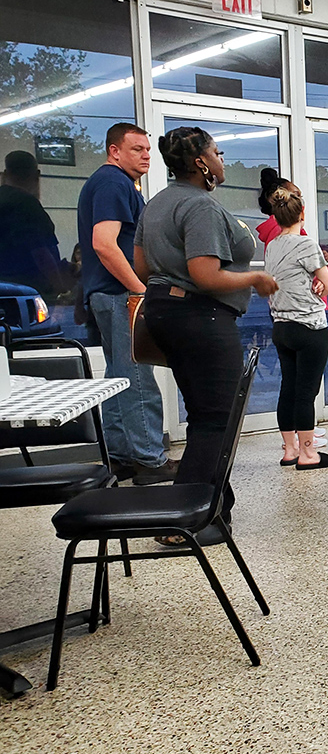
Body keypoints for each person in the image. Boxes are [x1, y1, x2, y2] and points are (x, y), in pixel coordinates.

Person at [134, 126, 278, 544]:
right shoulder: (199, 207)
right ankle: (191, 522)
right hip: (201, 319)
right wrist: (255, 277)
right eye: (217, 152)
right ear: (201, 162)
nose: (222, 159)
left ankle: (211, 508)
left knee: (204, 416)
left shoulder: (156, 204)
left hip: (166, 313)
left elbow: (144, 269)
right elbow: (205, 274)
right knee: (217, 420)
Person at [78, 123, 176, 485]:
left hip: (108, 293)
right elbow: (105, 243)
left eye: (148, 149)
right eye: (137, 149)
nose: (146, 155)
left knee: (119, 375)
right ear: (114, 151)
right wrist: (139, 290)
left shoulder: (113, 183)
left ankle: (120, 455)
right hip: (120, 294)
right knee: (137, 374)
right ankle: (149, 460)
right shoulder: (112, 182)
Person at [264, 187, 328, 470]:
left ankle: (289, 450)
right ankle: (309, 454)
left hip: (281, 327)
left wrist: (313, 281)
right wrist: (321, 282)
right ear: (302, 214)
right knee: (306, 391)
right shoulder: (307, 245)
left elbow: (286, 280)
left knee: (288, 387)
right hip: (309, 327)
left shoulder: (272, 246)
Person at [0, 150, 66, 299]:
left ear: (5, 173)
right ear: (36, 175)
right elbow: (41, 254)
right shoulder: (27, 205)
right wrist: (61, 288)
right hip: (27, 291)